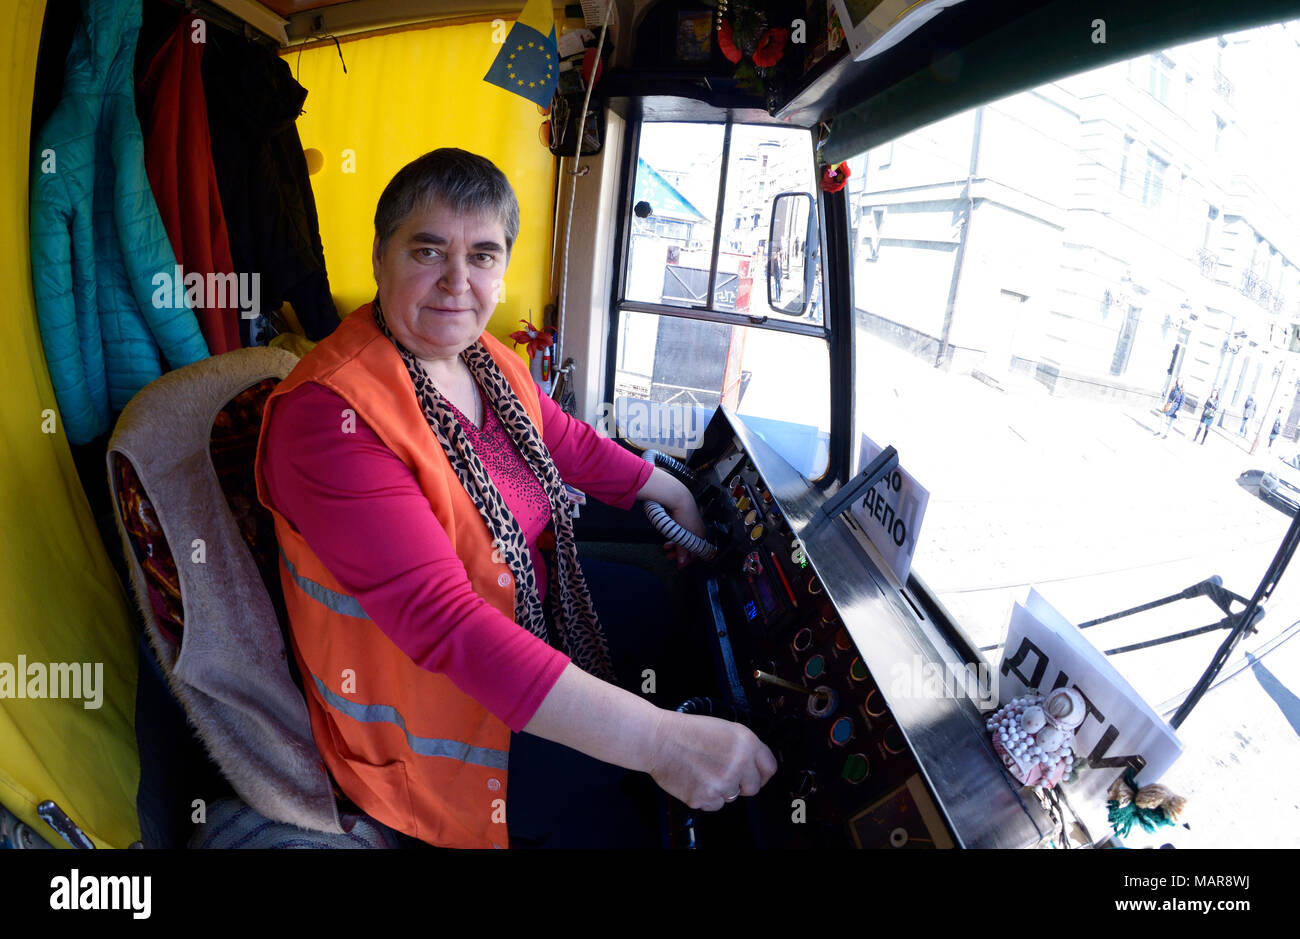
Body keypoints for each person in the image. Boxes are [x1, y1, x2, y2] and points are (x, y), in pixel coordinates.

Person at [254, 149, 776, 849]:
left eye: (482, 256)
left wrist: (667, 487)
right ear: (380, 256)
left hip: (522, 605)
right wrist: (662, 742)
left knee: (660, 612)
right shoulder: (331, 417)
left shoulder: (483, 356)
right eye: (428, 250)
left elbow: (561, 438)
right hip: (430, 726)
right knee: (623, 806)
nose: (455, 282)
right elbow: (449, 627)